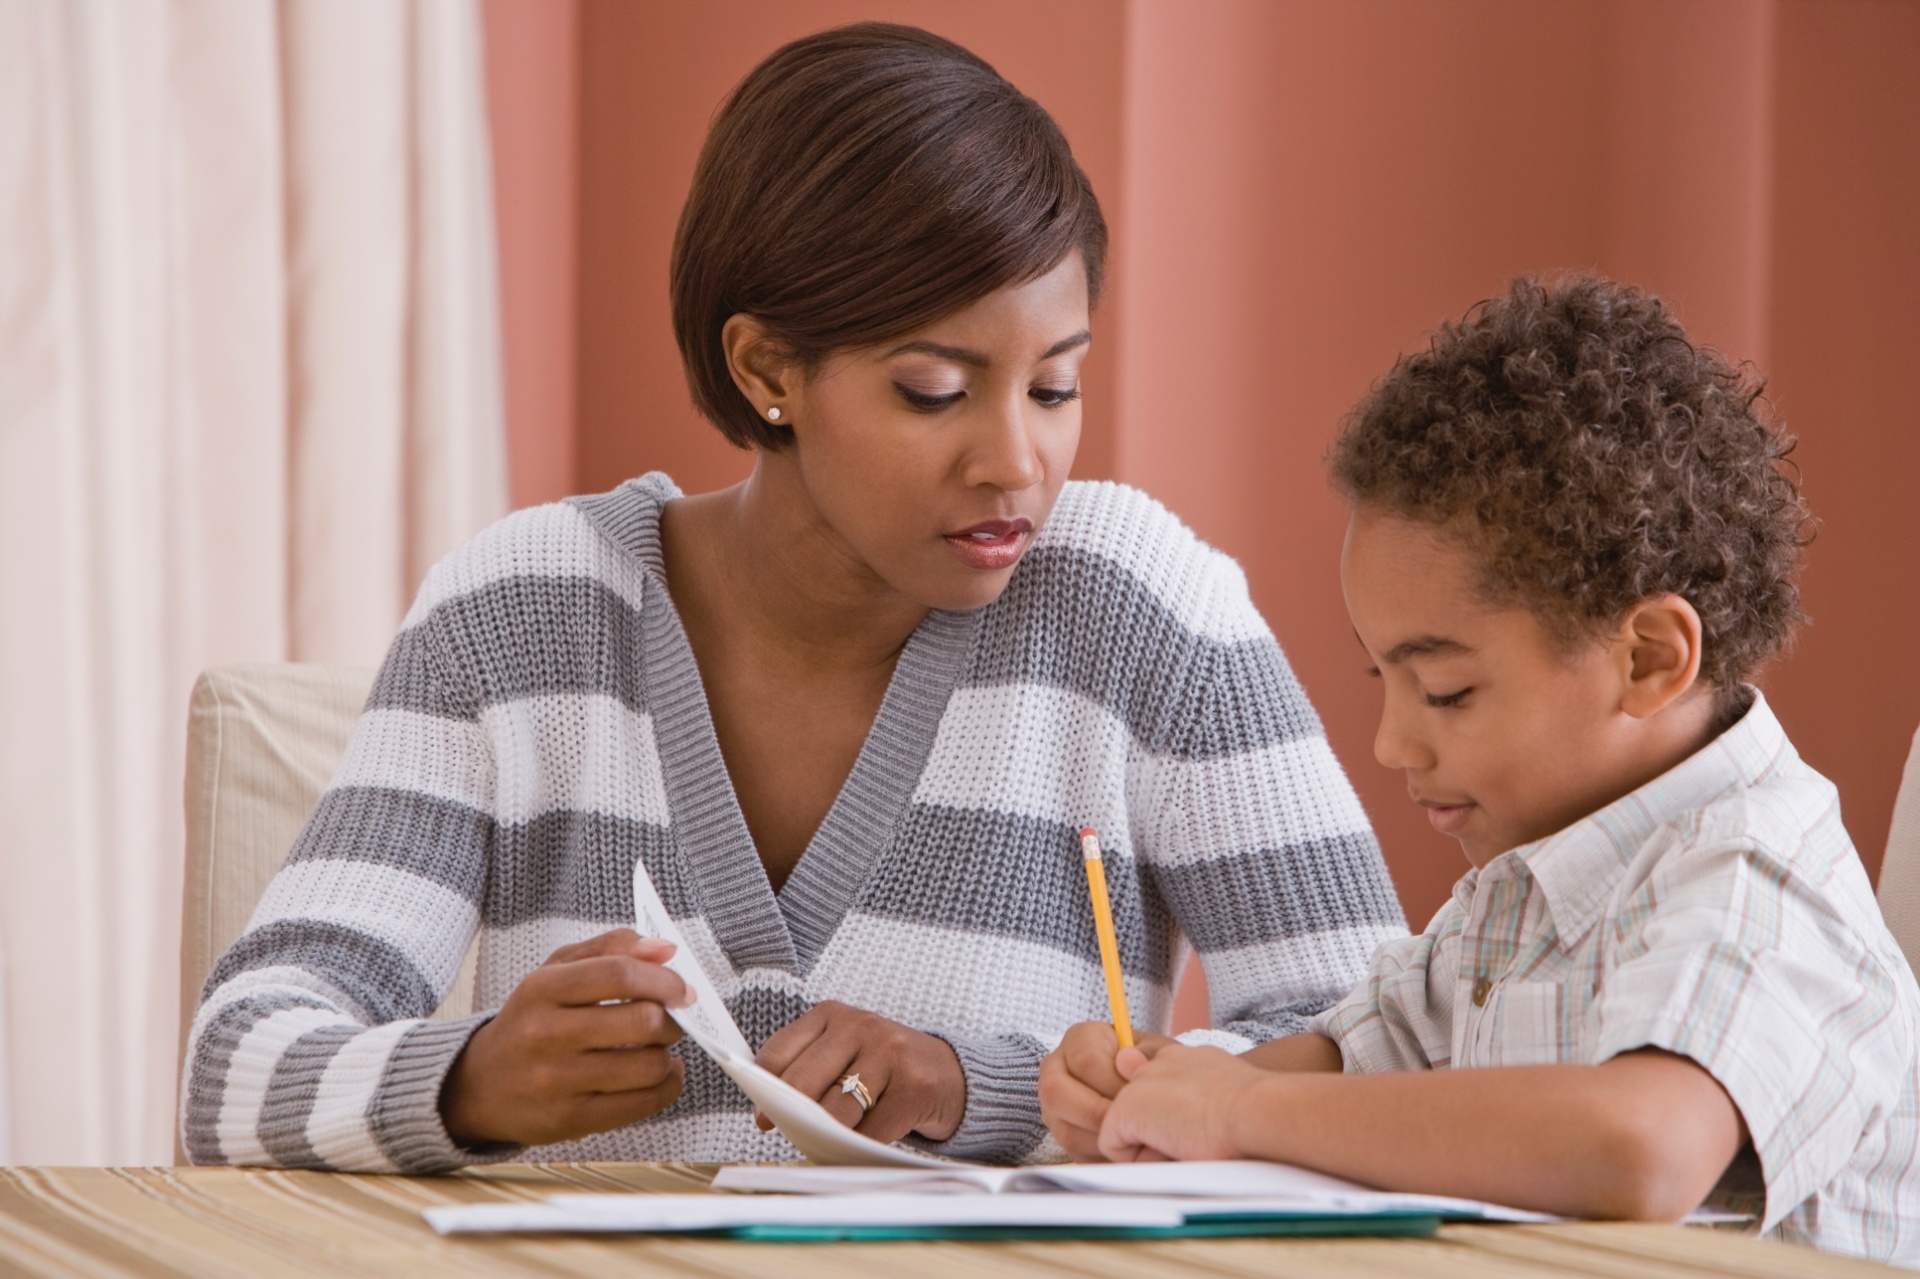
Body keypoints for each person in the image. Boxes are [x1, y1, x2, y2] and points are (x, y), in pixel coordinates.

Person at [181, 23, 1404, 1172]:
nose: (1014, 462)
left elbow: (1380, 1047)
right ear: (768, 368)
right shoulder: (521, 613)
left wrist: (977, 1089)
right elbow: (231, 1072)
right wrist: (466, 1079)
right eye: (935, 390)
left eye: (1054, 387)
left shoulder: (1143, 607)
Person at [1040, 275, 1920, 1263]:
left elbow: (1640, 1145)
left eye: (1446, 692)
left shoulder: (1763, 880)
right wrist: (1162, 1086)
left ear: (1647, 660)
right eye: (1385, 681)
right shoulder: (1520, 892)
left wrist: (1245, 1109)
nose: (1391, 745)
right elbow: (1352, 1058)